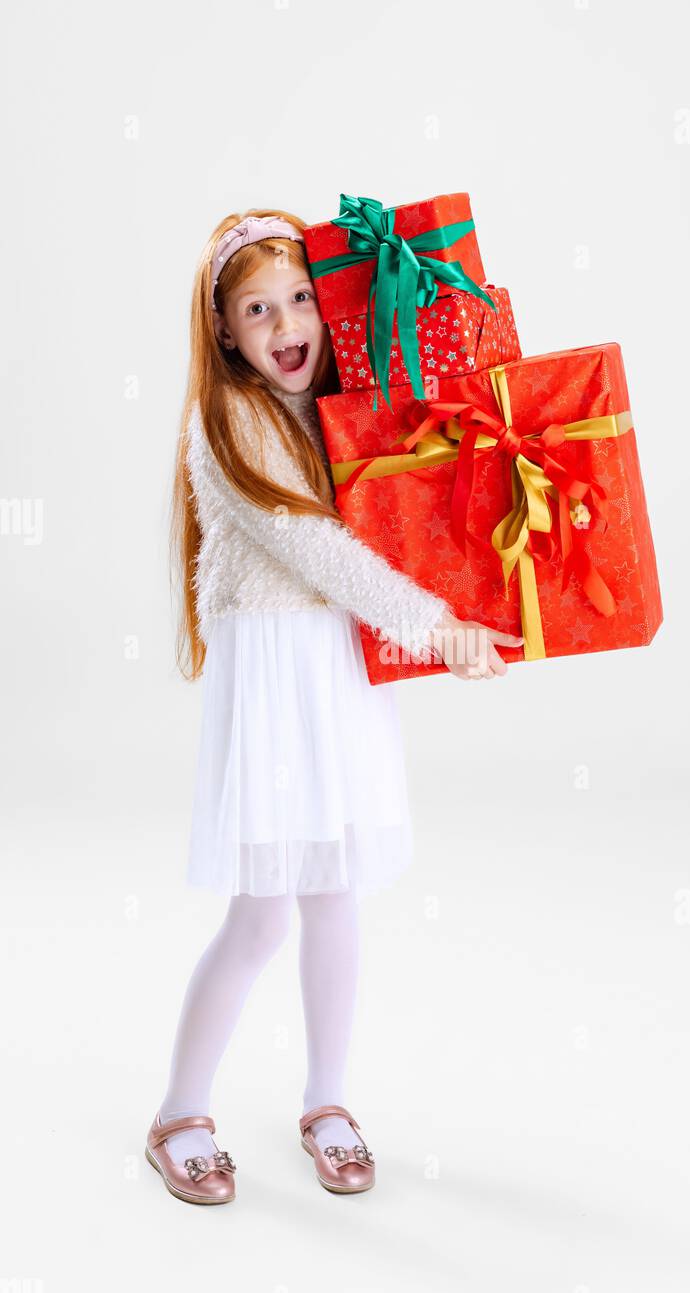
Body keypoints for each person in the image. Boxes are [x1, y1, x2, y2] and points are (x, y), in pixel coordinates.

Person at [146, 209, 523, 1204]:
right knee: (264, 912)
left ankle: (327, 1100)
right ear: (226, 330)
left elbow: (426, 479)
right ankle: (179, 1109)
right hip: (276, 675)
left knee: (336, 897)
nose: (285, 324)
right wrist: (439, 625)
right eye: (257, 309)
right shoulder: (225, 421)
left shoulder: (344, 405)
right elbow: (323, 550)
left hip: (337, 670)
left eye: (302, 298)